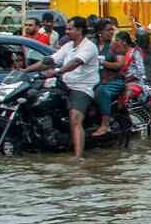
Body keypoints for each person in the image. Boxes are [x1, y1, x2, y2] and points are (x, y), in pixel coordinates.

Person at [25, 15, 99, 158]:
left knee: (75, 119)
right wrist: (25, 71)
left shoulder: (89, 47)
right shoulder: (68, 46)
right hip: (64, 85)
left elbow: (76, 62)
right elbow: (50, 61)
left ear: (79, 30)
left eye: (69, 29)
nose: (66, 31)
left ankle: (78, 158)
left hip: (82, 88)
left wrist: (58, 71)